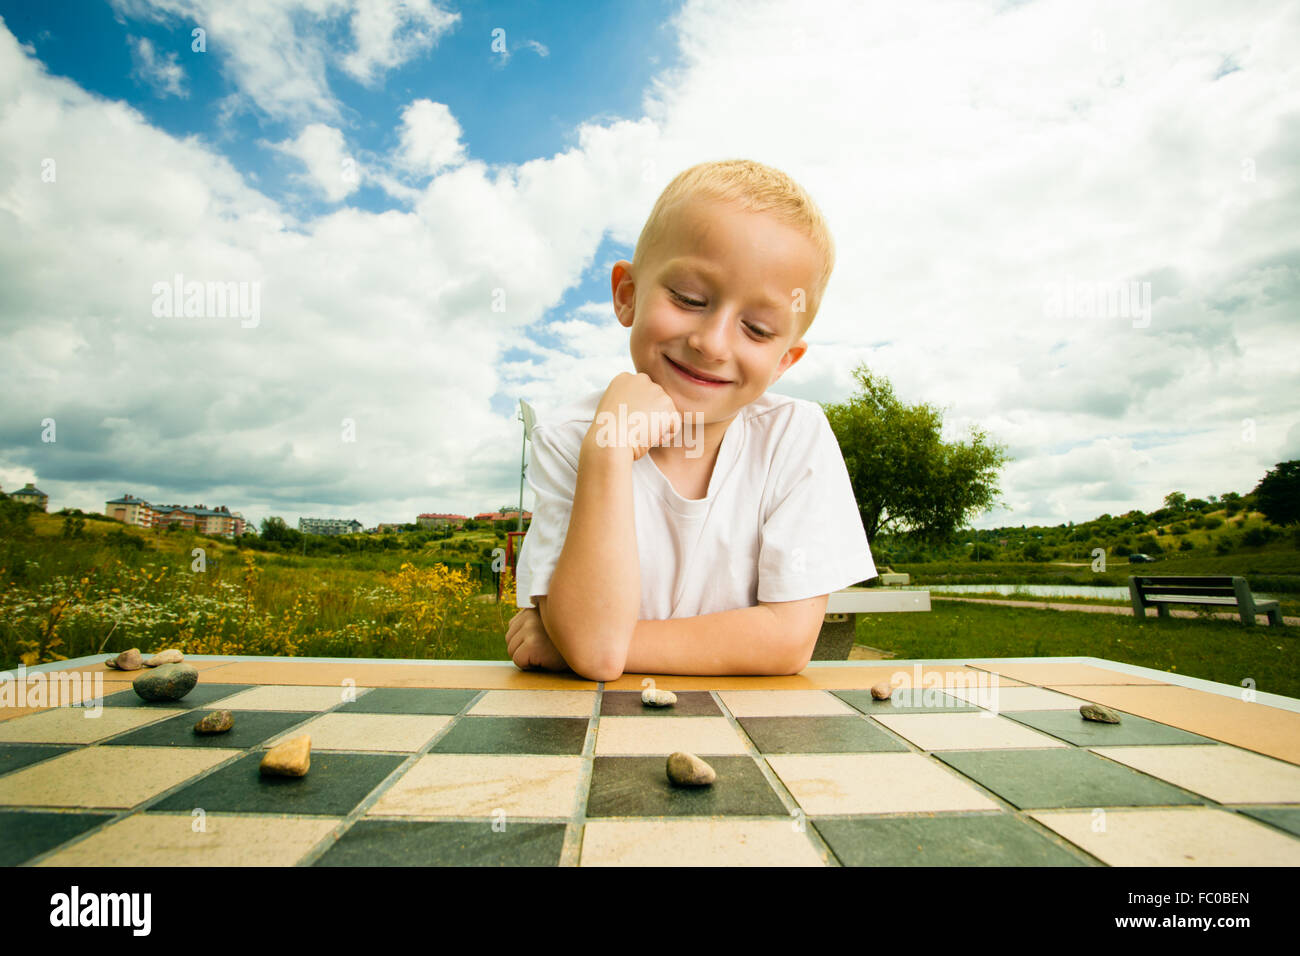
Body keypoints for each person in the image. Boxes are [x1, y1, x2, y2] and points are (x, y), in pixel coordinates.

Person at [506, 159, 874, 679]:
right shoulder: (571, 440)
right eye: (689, 299)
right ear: (627, 294)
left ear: (784, 363)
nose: (712, 343)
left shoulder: (796, 436)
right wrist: (607, 453)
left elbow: (788, 642)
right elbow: (596, 648)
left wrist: (583, 641)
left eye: (759, 329)